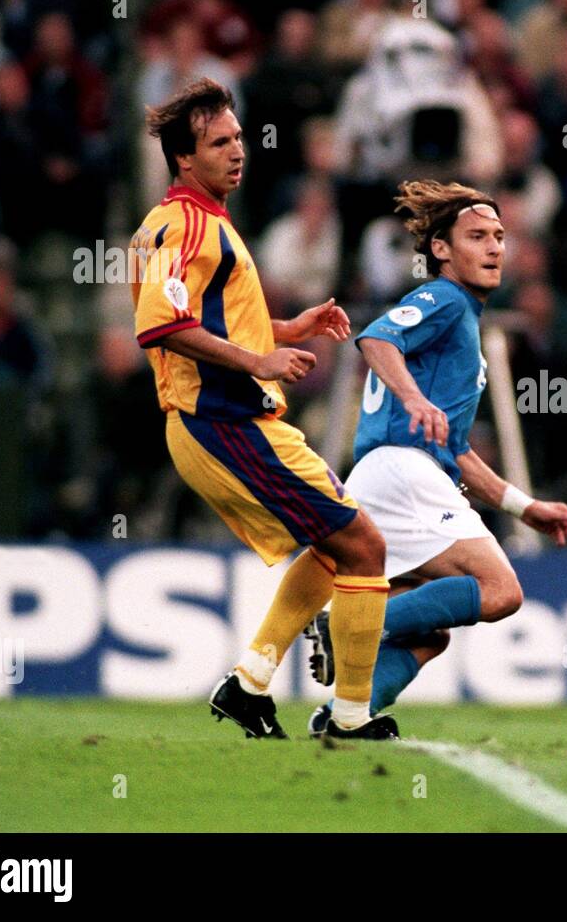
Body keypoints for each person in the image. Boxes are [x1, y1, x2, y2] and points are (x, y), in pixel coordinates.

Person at [132, 78, 394, 743]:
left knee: (341, 547)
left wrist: (287, 329)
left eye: (239, 137)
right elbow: (162, 325)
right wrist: (258, 363)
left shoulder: (204, 221)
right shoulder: (184, 225)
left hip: (236, 420)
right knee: (362, 544)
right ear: (185, 159)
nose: (237, 151)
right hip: (220, 421)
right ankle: (351, 717)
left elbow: (214, 319)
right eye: (219, 142)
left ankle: (248, 685)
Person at [305, 179, 567, 734]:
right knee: (500, 592)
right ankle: (346, 625)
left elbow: (458, 453)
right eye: (477, 236)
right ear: (441, 250)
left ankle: (345, 717)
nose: (494, 247)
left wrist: (526, 508)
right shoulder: (444, 298)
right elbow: (376, 338)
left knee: (429, 634)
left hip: (391, 476)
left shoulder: (464, 324)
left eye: (500, 237)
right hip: (403, 472)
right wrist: (412, 398)